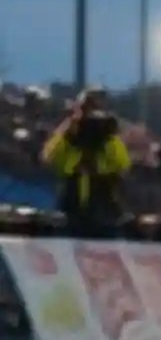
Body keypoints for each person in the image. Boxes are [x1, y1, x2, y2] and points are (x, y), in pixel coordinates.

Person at [41, 89, 131, 236]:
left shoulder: (109, 138)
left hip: (104, 208)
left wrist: (104, 142)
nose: (91, 114)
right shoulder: (69, 133)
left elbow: (123, 165)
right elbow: (49, 158)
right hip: (72, 207)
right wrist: (70, 135)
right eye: (86, 107)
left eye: (96, 108)